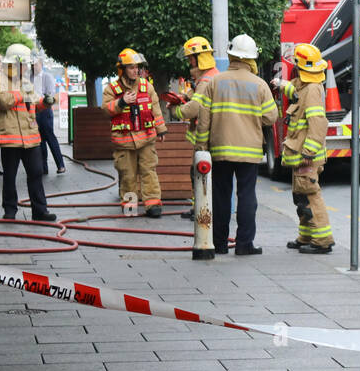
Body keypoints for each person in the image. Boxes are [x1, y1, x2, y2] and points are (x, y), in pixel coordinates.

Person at [172, 34, 279, 254]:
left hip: (219, 150)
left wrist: (202, 148)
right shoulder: (259, 85)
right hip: (249, 153)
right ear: (251, 59)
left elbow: (204, 119)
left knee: (220, 198)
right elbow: (271, 118)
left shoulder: (215, 82)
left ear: (231, 56)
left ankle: (219, 244)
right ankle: (244, 245)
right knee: (247, 197)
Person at [0, 44, 56, 222]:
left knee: (36, 172)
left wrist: (46, 102)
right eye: (25, 64)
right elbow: (4, 102)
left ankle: (40, 211)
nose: (28, 68)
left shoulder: (25, 82)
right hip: (10, 137)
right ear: (15, 64)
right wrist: (21, 92)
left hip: (30, 136)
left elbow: (34, 102)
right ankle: (10, 210)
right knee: (9, 176)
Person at [281, 42, 333, 254]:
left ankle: (322, 241)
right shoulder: (308, 85)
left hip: (306, 156)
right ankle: (306, 236)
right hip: (301, 154)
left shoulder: (311, 89)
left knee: (310, 195)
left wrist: (309, 152)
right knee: (301, 196)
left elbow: (318, 123)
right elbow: (296, 90)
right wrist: (282, 85)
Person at [102, 48, 167, 217]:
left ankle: (153, 205)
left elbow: (156, 110)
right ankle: (130, 205)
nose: (135, 70)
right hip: (124, 142)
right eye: (131, 67)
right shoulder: (112, 89)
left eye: (137, 67)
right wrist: (121, 102)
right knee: (127, 175)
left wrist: (160, 130)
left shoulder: (147, 86)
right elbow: (106, 110)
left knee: (149, 172)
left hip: (146, 139)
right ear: (122, 70)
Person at [33, 57, 66, 175]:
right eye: (32, 65)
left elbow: (51, 93)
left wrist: (42, 99)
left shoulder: (47, 77)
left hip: (45, 110)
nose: (34, 67)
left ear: (41, 64)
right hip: (34, 110)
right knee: (39, 140)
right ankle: (44, 167)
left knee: (50, 137)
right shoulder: (30, 78)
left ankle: (60, 164)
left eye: (36, 64)